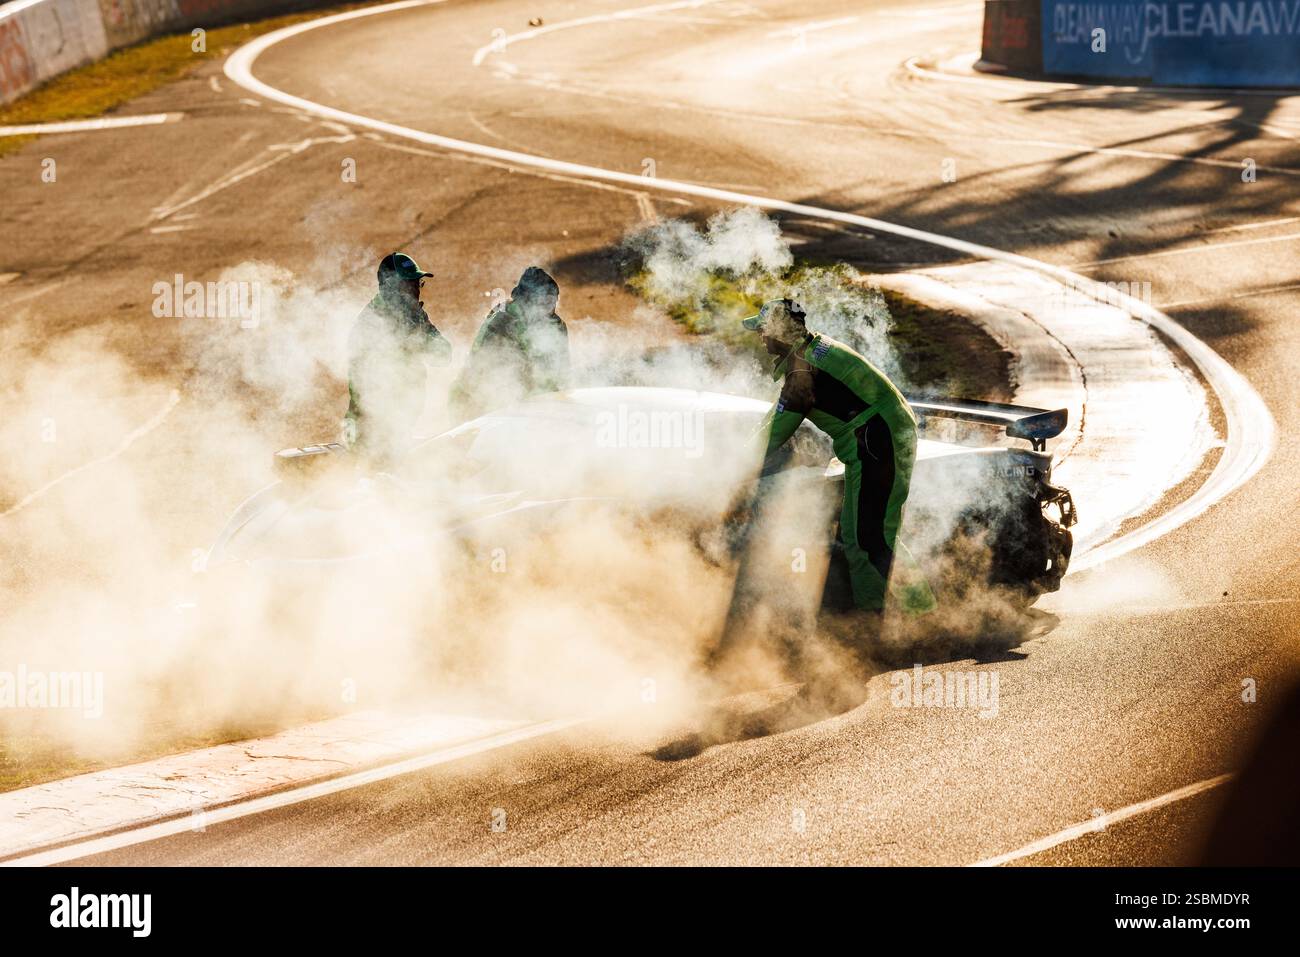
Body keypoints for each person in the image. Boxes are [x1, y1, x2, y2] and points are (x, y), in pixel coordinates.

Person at [742, 298, 935, 620]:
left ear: (780, 331)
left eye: (763, 329)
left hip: (877, 442)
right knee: (870, 532)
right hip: (883, 436)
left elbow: (775, 432)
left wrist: (735, 468)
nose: (760, 336)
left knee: (866, 537)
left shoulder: (802, 371)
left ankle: (878, 619)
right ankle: (918, 610)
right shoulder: (811, 352)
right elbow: (774, 417)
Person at [342, 252, 451, 466]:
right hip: (371, 431)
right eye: (409, 283)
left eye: (416, 283)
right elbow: (370, 391)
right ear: (391, 286)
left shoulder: (413, 315)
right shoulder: (373, 322)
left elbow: (443, 353)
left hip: (400, 424)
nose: (416, 289)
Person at [451, 266, 569, 422]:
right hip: (479, 404)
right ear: (527, 300)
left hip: (528, 406)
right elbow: (486, 369)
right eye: (544, 301)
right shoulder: (504, 318)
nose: (550, 308)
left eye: (553, 300)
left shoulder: (556, 325)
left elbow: (561, 371)